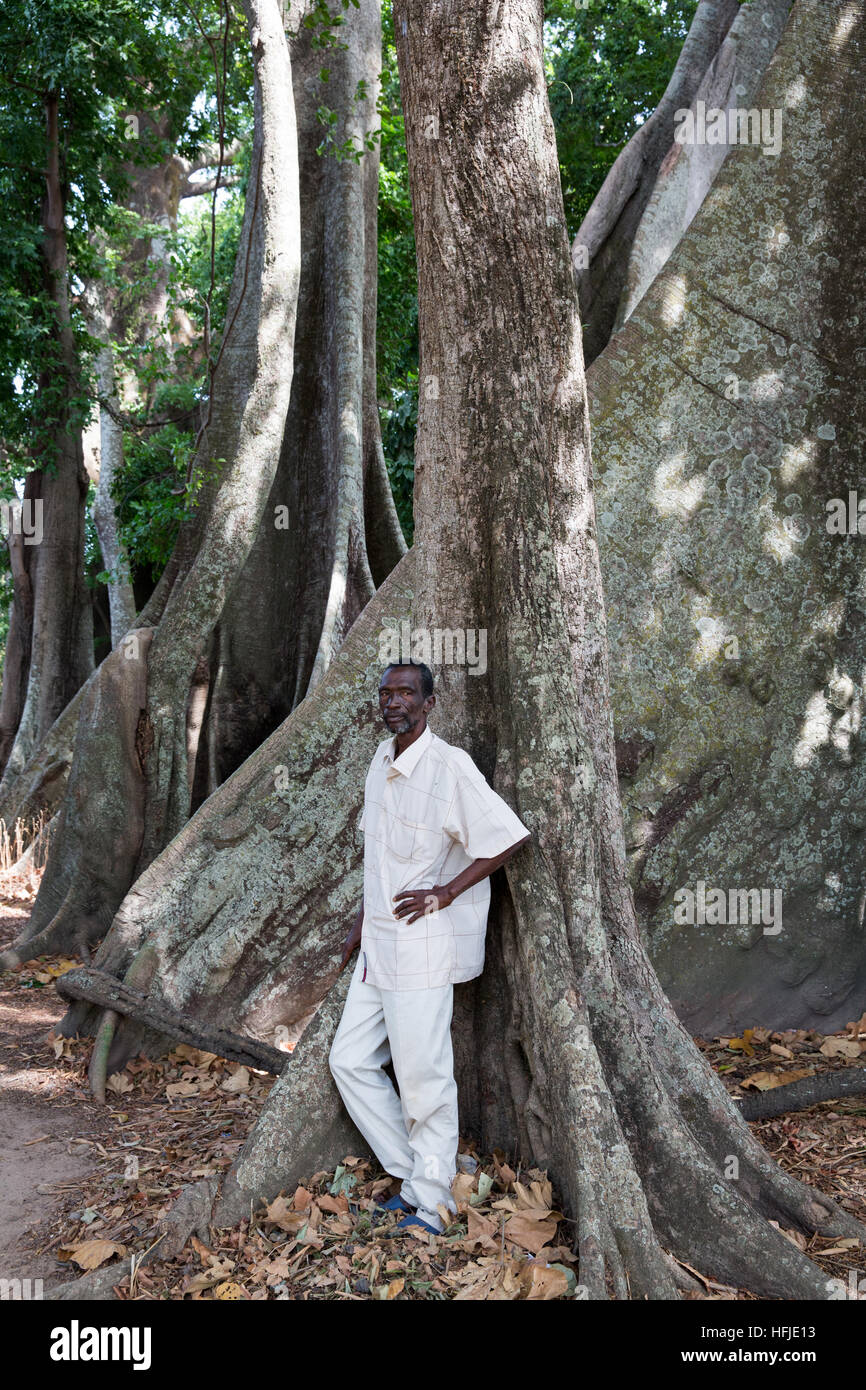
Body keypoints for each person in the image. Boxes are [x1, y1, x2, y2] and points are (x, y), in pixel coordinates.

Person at [328, 660, 531, 1237]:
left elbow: (508, 837)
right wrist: (361, 922)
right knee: (348, 1060)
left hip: (421, 946)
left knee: (424, 1077)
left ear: (428, 703)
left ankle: (433, 1201)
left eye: (405, 693)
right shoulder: (380, 760)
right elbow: (381, 857)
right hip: (379, 947)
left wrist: (445, 891)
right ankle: (416, 1173)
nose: (393, 703)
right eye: (386, 692)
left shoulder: (449, 767)